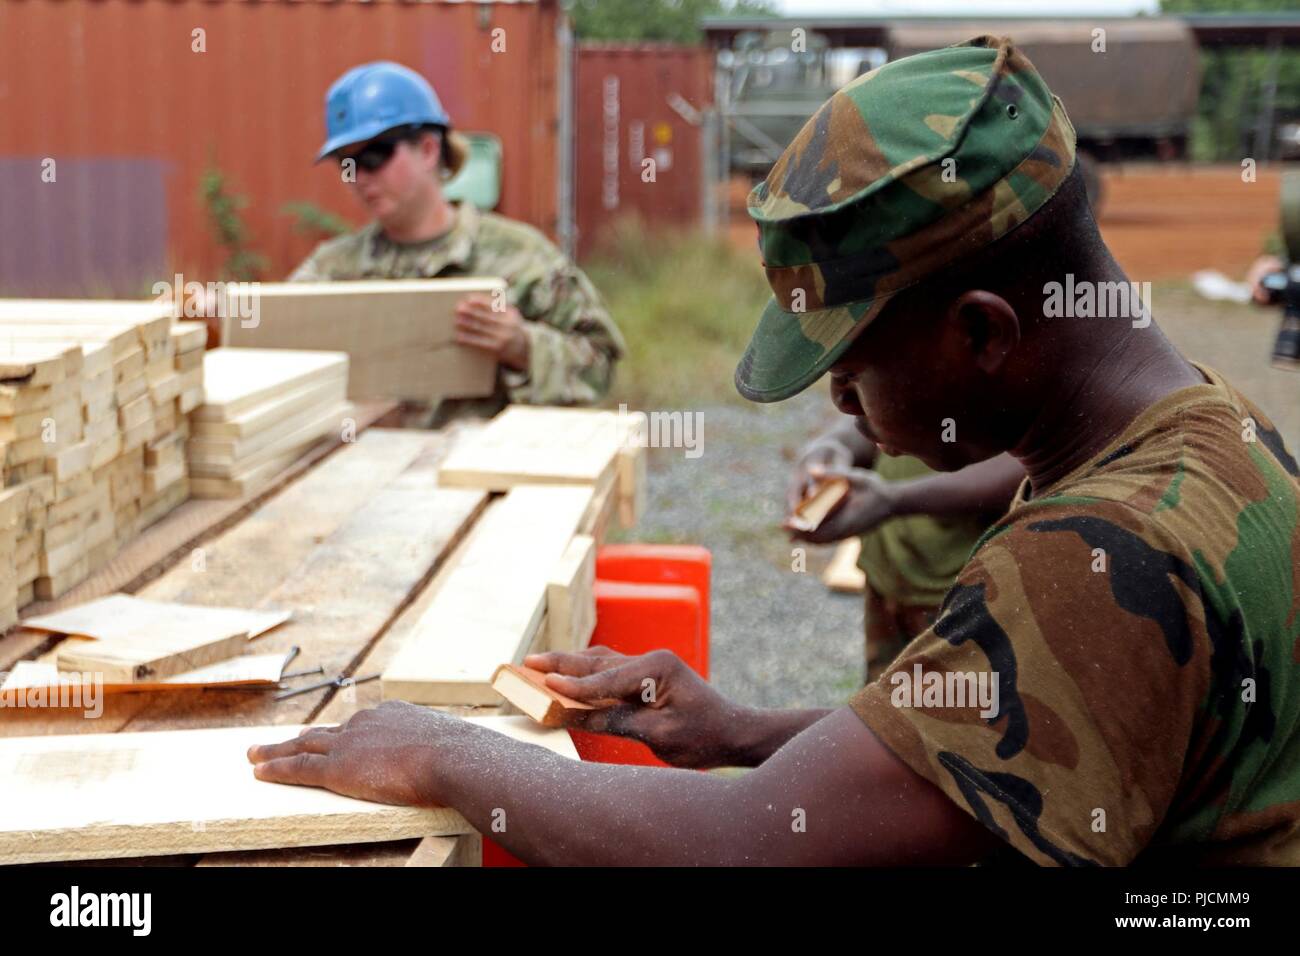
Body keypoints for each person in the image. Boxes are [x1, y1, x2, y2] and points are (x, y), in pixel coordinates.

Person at [248, 37, 1300, 865]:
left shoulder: (1095, 554)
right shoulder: (1208, 429)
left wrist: (446, 747)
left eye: (849, 361)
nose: (838, 398)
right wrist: (741, 727)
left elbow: (742, 842)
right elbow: (1008, 720)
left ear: (982, 333)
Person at [290, 62, 625, 426]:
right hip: (363, 474)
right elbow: (272, 348)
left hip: (473, 475)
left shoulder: (520, 258)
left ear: (429, 149)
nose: (360, 177)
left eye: (374, 157)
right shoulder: (332, 269)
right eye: (347, 163)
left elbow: (600, 365)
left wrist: (523, 347)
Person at [786, 422, 1023, 682]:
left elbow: (1024, 461)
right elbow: (887, 411)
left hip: (965, 595)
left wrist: (895, 500)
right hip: (889, 579)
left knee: (947, 715)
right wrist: (834, 445)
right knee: (882, 701)